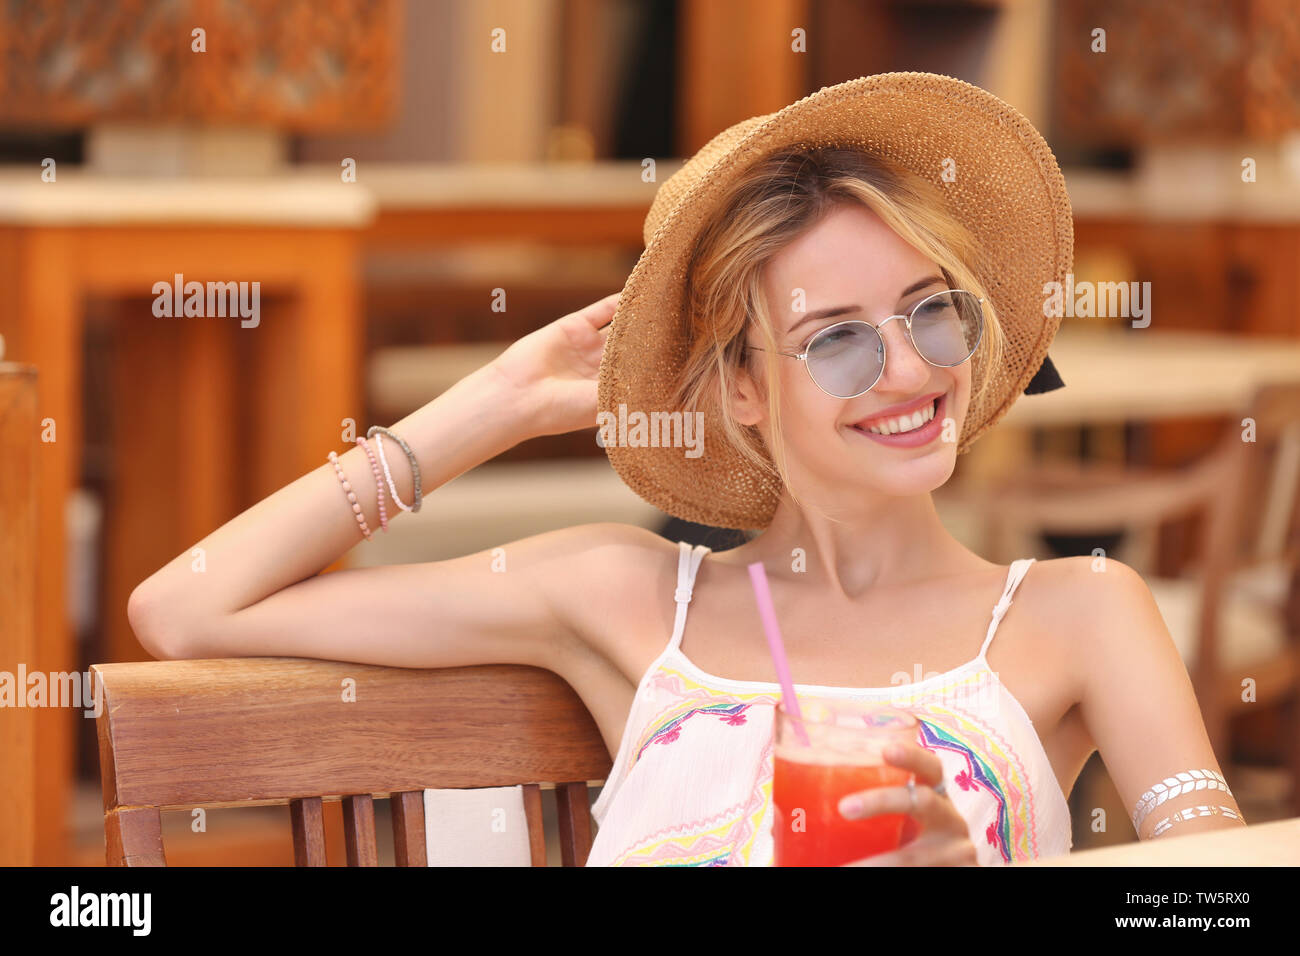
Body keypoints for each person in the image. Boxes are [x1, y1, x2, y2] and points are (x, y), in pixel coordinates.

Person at [128, 73, 1246, 866]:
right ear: (742, 389)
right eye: (838, 338)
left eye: (929, 313)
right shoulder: (626, 594)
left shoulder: (1080, 609)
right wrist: (499, 402)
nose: (909, 369)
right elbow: (186, 605)